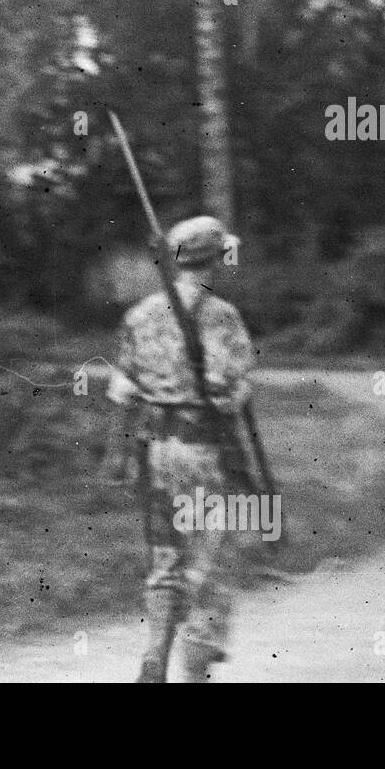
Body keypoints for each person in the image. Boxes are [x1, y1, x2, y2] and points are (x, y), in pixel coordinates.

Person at [106, 215, 255, 683]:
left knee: (165, 561)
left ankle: (154, 655)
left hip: (156, 452)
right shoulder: (222, 315)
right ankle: (195, 675)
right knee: (209, 568)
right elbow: (232, 394)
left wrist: (116, 453)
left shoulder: (140, 315)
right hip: (204, 453)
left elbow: (123, 392)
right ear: (217, 258)